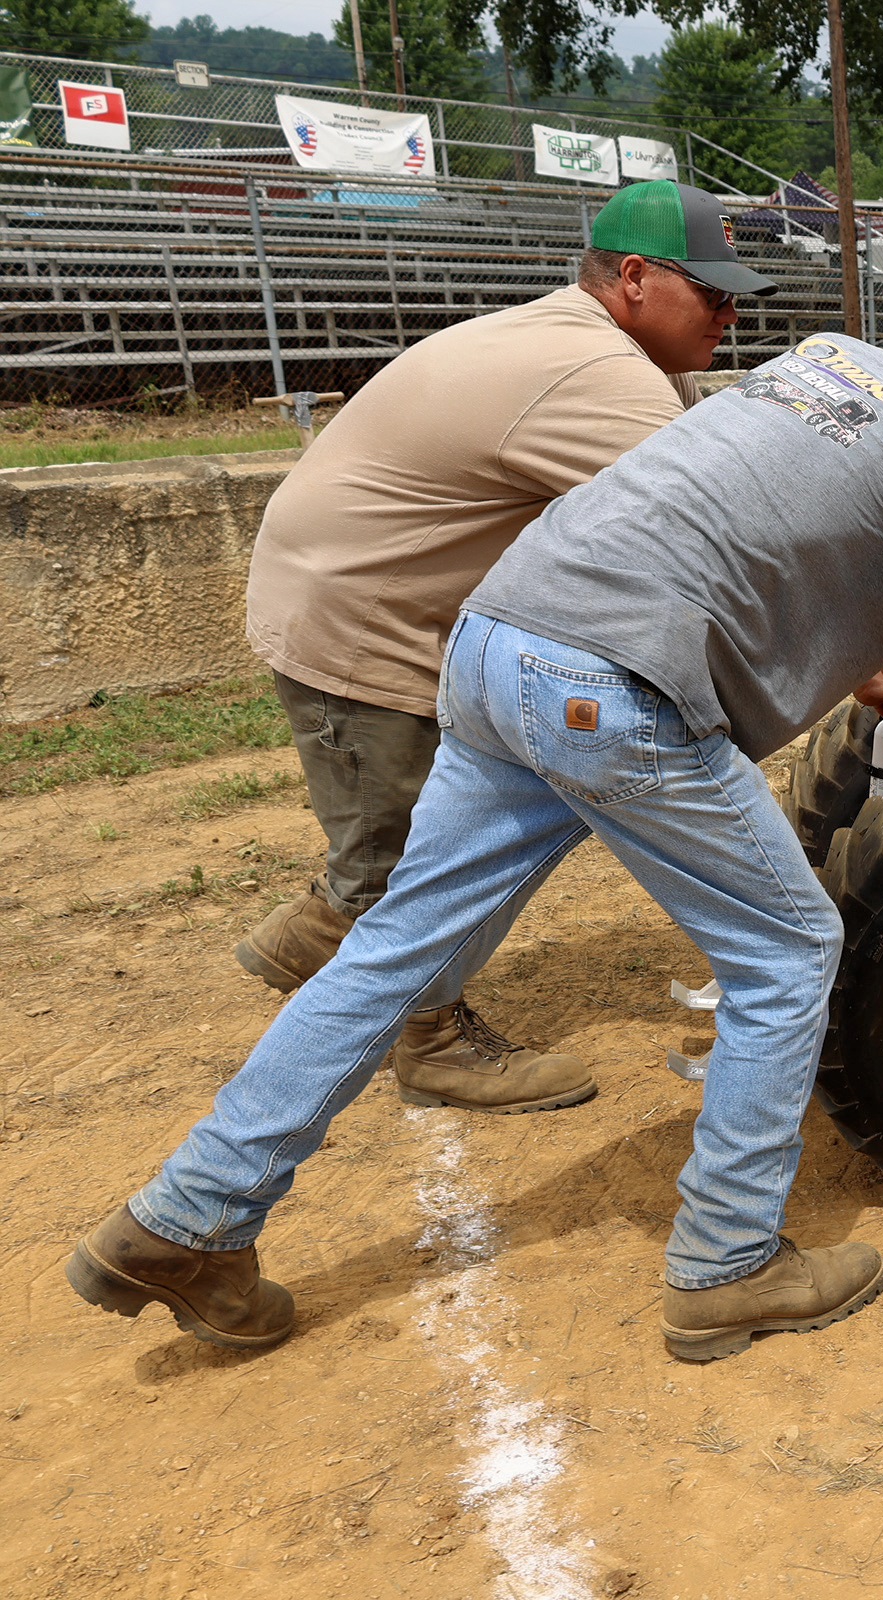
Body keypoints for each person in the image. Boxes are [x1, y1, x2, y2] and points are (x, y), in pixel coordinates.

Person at [65, 285, 883, 1365]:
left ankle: (188, 1219)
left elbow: (878, 635)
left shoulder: (836, 364)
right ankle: (728, 1262)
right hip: (610, 685)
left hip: (499, 638)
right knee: (788, 947)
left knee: (393, 950)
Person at [234, 180, 774, 1117]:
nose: (732, 313)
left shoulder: (617, 353)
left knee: (422, 831)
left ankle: (312, 934)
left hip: (384, 589)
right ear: (636, 279)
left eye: (738, 295)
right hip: (365, 615)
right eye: (714, 292)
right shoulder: (597, 373)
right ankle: (430, 1044)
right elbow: (722, 535)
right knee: (415, 859)